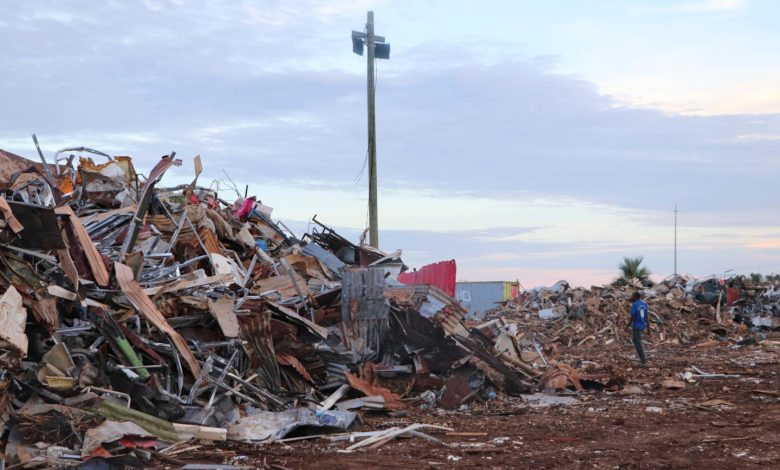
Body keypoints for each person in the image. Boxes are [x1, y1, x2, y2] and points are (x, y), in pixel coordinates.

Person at [628, 291, 649, 365]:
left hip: (637, 326)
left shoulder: (634, 304)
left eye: (633, 296)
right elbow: (647, 316)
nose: (632, 297)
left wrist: (627, 326)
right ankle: (642, 359)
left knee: (638, 343)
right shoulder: (644, 304)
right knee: (636, 340)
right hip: (643, 326)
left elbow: (633, 317)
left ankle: (643, 361)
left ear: (636, 297)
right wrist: (648, 328)